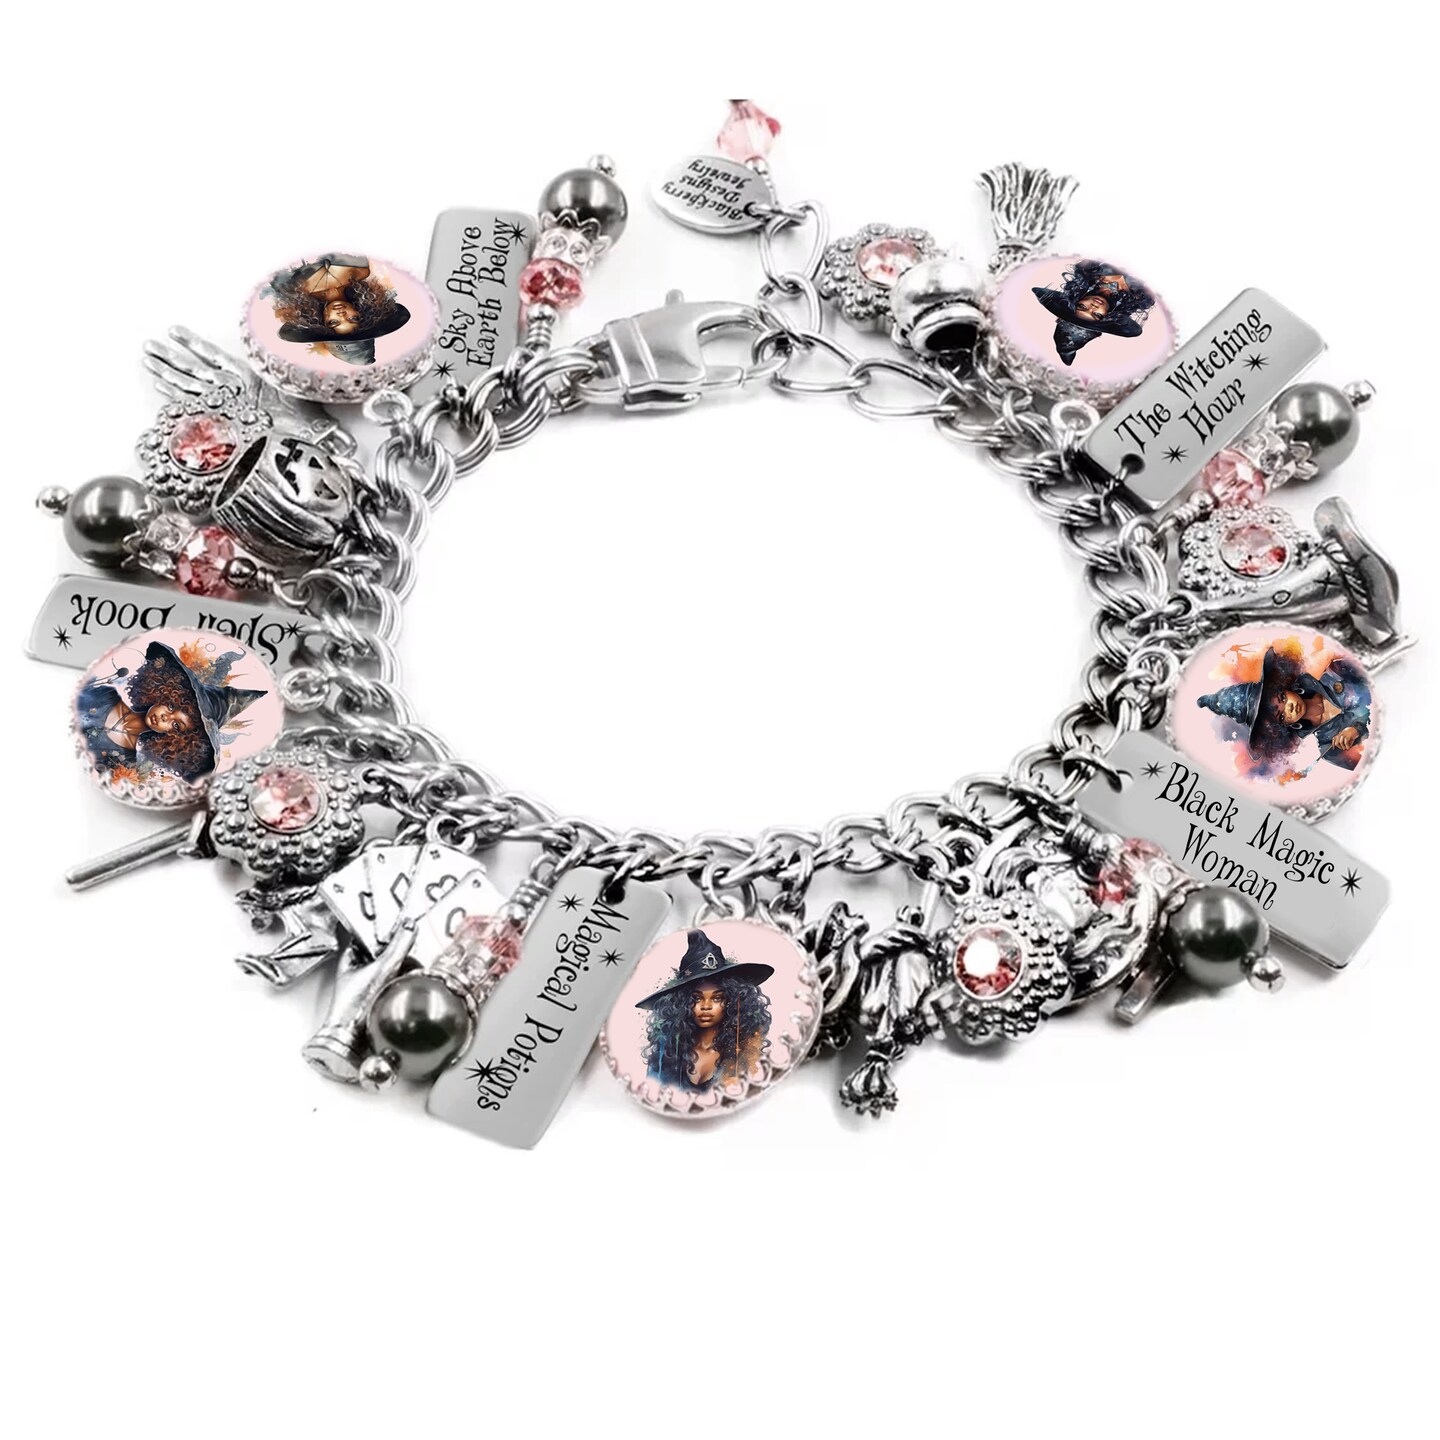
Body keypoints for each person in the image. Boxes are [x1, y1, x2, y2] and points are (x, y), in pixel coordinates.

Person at [76, 640, 266, 784]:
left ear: (177, 740)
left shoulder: (124, 763)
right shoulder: (104, 693)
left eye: (176, 725)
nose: (165, 716)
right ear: (162, 691)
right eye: (172, 706)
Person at [1197, 638, 1371, 777]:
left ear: (1284, 686)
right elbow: (1373, 766)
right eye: (1281, 715)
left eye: (1282, 698)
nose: (1290, 707)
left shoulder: (1333, 670)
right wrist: (1358, 731)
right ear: (1279, 728)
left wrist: (1356, 727)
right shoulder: (1330, 750)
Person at [636, 928, 774, 1092]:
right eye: (696, 998)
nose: (706, 1006)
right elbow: (652, 1095)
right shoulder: (666, 1054)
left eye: (717, 998)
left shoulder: (746, 1053)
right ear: (681, 1003)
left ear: (731, 1001)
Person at [265, 254, 412, 366]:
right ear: (363, 313)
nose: (342, 315)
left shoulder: (289, 287)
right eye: (353, 319)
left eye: (334, 322)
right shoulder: (360, 270)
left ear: (321, 323)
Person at [1031, 259, 1156, 365]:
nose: (1093, 307)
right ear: (1107, 316)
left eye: (1082, 307)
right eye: (1096, 314)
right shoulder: (1140, 295)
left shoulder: (1089, 269)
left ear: (1075, 301)